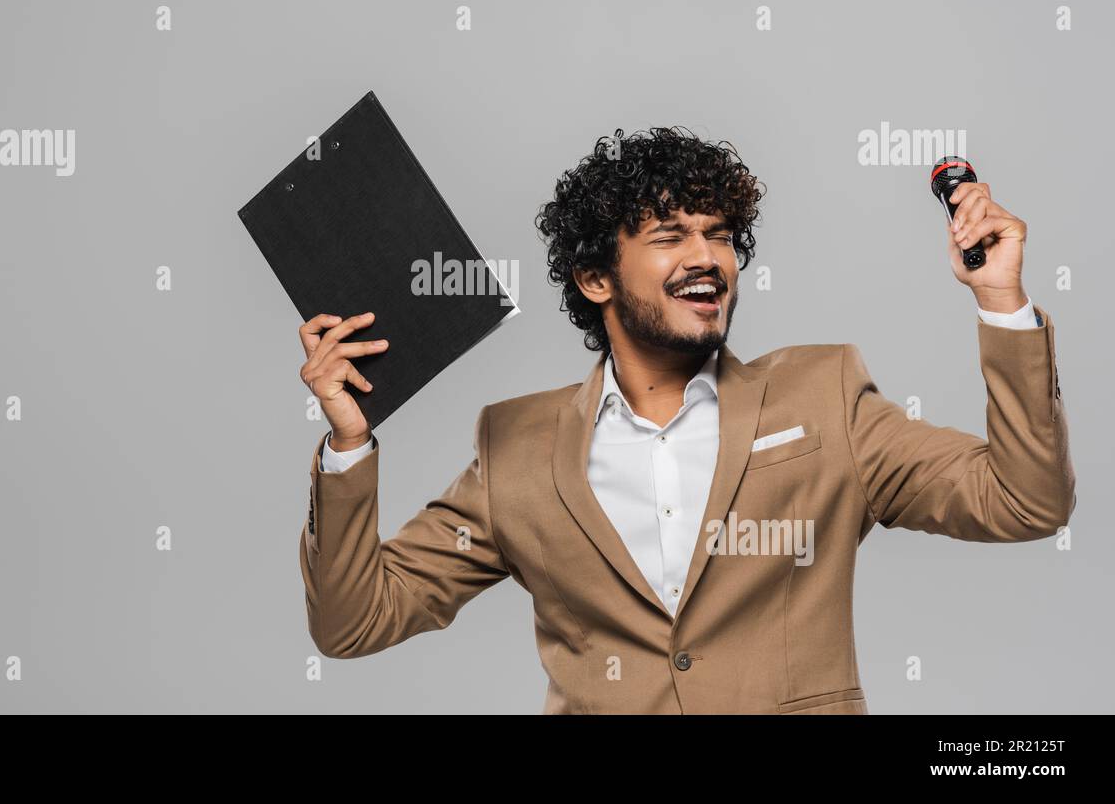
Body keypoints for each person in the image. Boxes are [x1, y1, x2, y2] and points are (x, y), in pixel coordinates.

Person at [296, 126, 1075, 714]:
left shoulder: (820, 398)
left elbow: (1026, 501)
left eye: (722, 236)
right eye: (671, 236)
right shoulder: (516, 447)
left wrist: (1000, 301)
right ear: (596, 277)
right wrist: (348, 443)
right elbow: (353, 621)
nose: (708, 256)